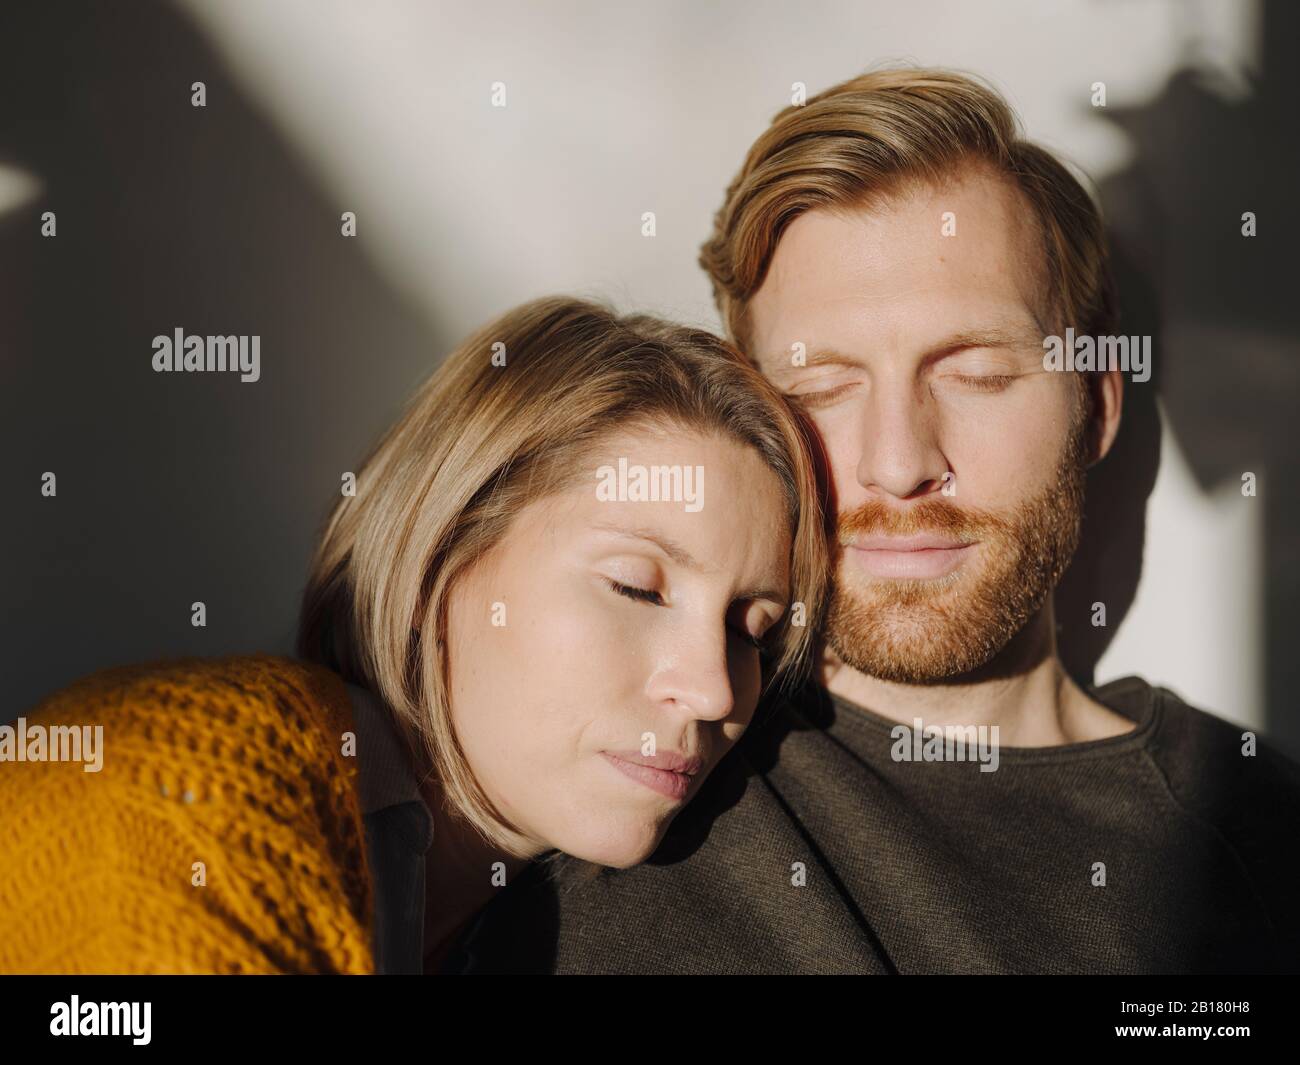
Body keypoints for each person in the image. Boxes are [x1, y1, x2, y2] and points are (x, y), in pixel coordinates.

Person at [454, 68, 1300, 975]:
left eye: (976, 373)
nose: (898, 463)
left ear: (1095, 407)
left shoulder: (1257, 831)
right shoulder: (625, 778)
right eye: (821, 388)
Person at [0, 296, 830, 974]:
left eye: (751, 630)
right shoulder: (180, 792)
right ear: (444, 553)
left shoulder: (509, 927)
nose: (716, 688)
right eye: (636, 586)